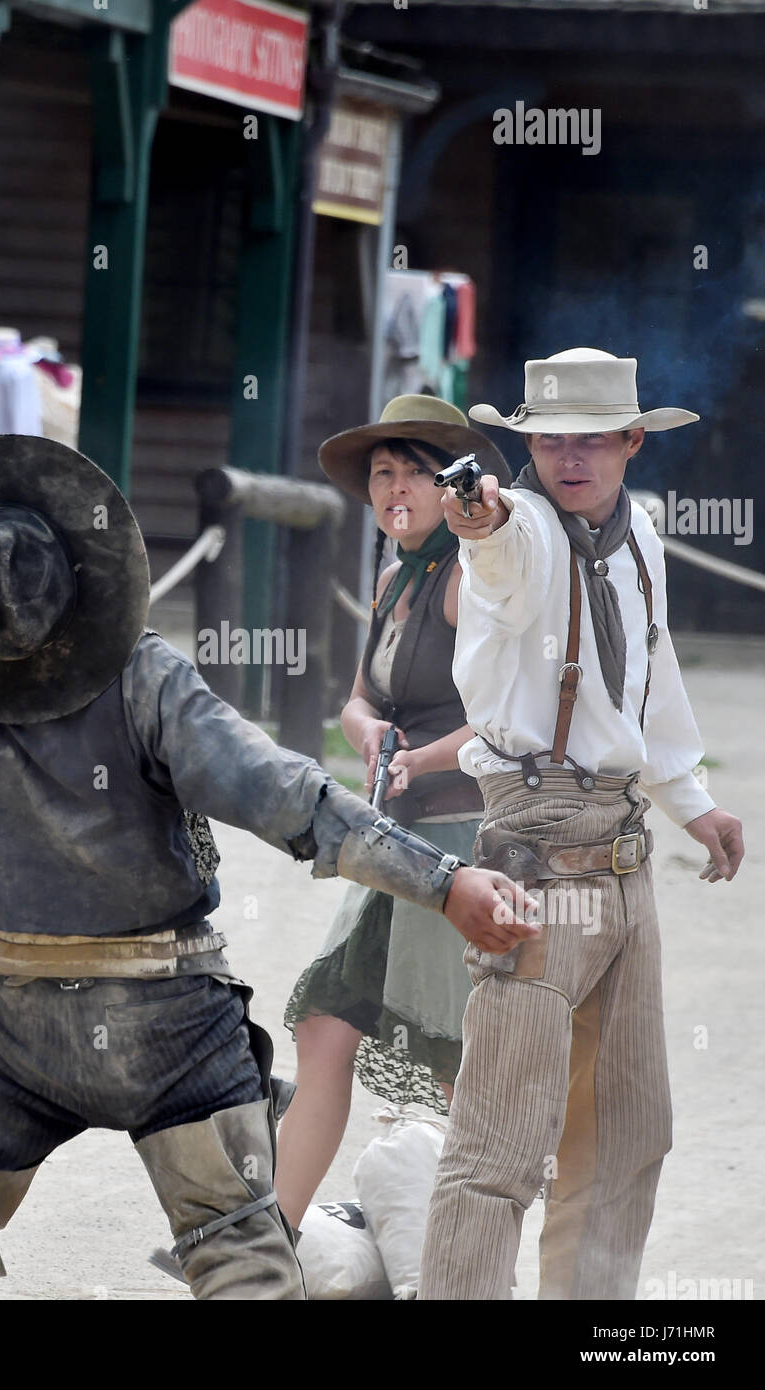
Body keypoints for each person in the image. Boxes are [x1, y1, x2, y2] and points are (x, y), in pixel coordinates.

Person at [0, 434, 535, 1302]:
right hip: (172, 1024)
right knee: (239, 1256)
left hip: (11, 1029)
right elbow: (291, 798)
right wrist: (445, 883)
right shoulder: (140, 673)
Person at [418, 348, 745, 1300]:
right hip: (538, 845)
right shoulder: (516, 529)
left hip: (623, 839)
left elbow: (652, 671)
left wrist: (692, 799)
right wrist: (475, 519)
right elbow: (499, 550)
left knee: (629, 1131)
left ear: (632, 442)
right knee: (501, 1143)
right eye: (549, 440)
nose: (568, 456)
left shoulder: (640, 533)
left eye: (592, 439)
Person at [275, 395, 514, 1232]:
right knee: (322, 1032)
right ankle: (264, 1249)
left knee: (455, 1062)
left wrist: (423, 757)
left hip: (462, 841)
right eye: (383, 472)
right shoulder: (391, 579)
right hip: (391, 843)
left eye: (415, 469)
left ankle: (462, 1268)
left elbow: (501, 718)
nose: (396, 485)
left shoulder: (469, 580)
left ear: (450, 484)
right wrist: (372, 733)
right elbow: (358, 701)